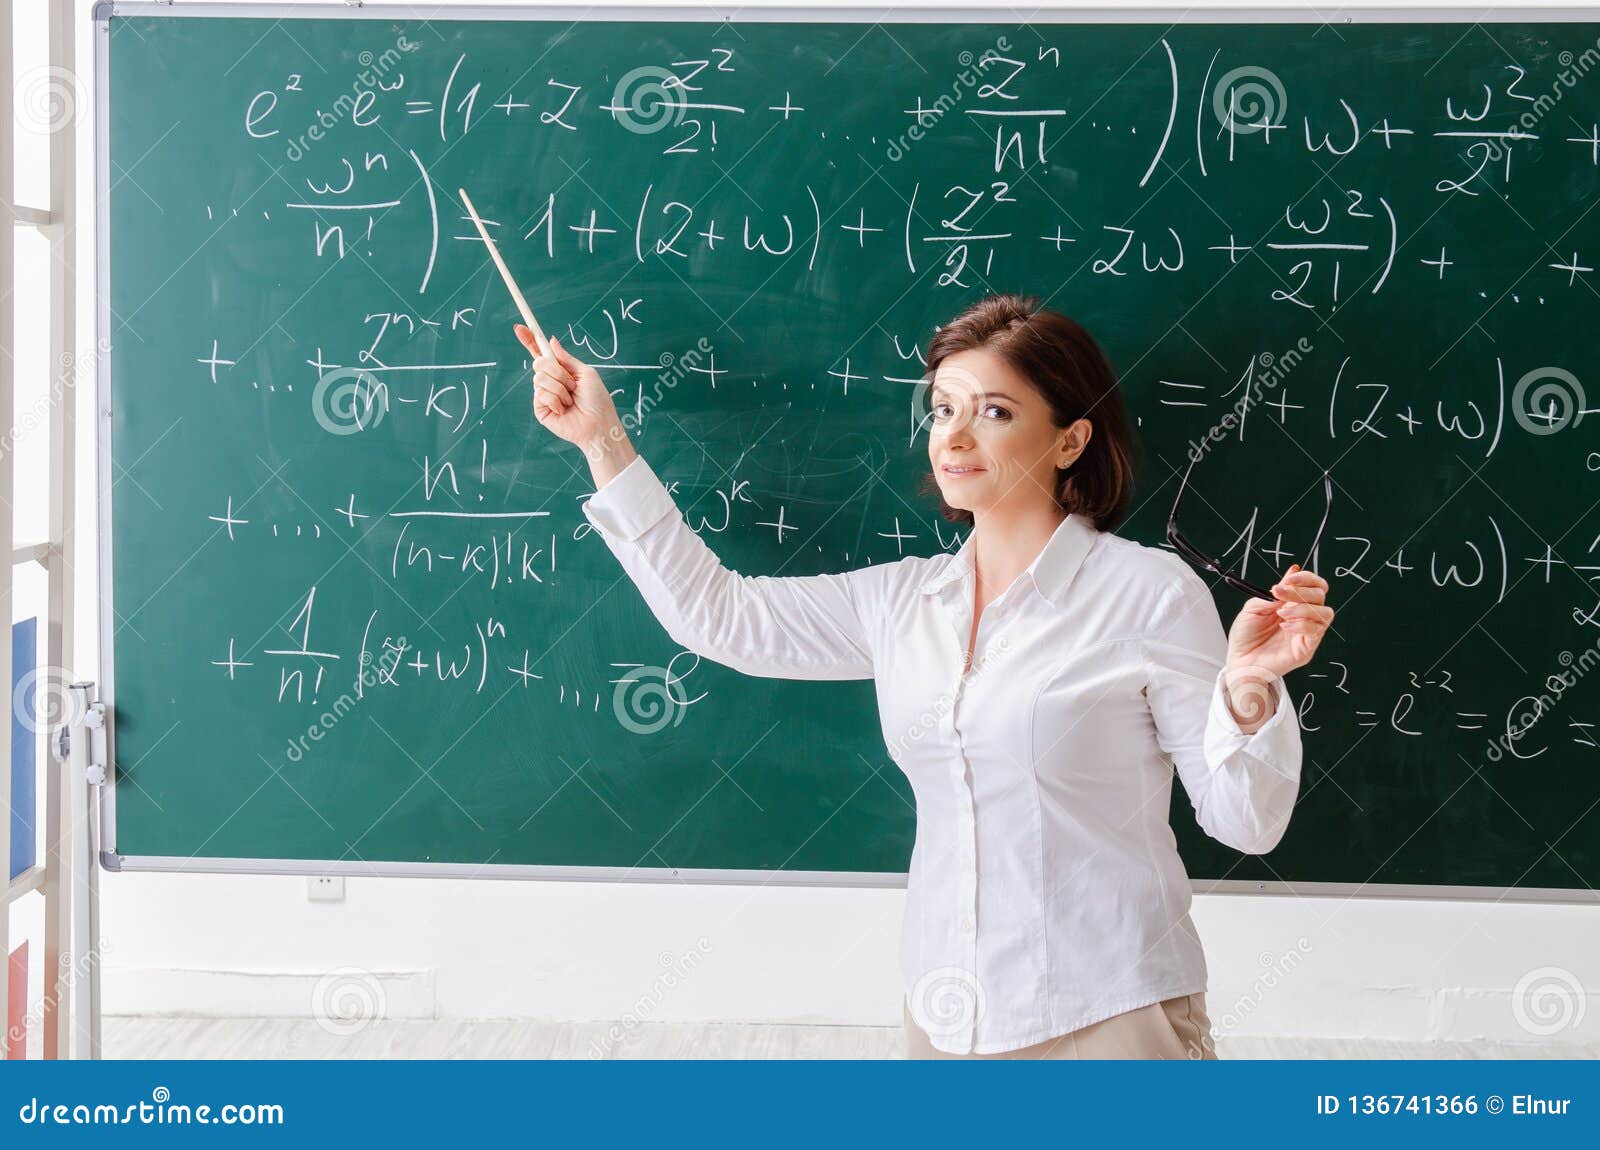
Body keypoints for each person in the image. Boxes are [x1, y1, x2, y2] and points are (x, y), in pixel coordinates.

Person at [514, 292, 1334, 1060]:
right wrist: (603, 444)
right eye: (944, 409)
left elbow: (1245, 823)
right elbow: (718, 615)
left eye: (995, 412)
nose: (954, 435)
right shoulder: (906, 603)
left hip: (1111, 1017)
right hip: (946, 1017)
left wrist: (1250, 692)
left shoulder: (1147, 595)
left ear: (1070, 440)